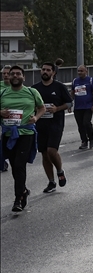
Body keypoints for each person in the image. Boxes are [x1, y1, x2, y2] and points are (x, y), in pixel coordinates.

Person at [0, 65, 45, 213]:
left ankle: (18, 198)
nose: (15, 76)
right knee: (14, 166)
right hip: (9, 135)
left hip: (26, 133)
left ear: (23, 77)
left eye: (18, 74)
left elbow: (42, 108)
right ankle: (23, 190)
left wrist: (36, 118)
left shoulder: (32, 92)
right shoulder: (3, 93)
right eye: (12, 74)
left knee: (19, 165)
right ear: (8, 77)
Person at [32, 61, 71, 192]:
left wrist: (57, 109)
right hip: (40, 124)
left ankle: (60, 171)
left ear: (53, 72)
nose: (45, 72)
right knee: (44, 153)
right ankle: (51, 182)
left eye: (48, 70)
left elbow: (69, 103)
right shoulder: (34, 88)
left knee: (51, 151)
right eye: (43, 69)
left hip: (56, 123)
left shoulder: (59, 87)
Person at [72, 65, 93, 150]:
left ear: (86, 71)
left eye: (81, 71)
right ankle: (84, 141)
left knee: (86, 122)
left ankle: (91, 139)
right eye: (78, 71)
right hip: (78, 107)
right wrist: (69, 104)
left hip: (88, 106)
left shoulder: (90, 80)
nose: (79, 73)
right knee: (80, 125)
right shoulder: (75, 81)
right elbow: (72, 93)